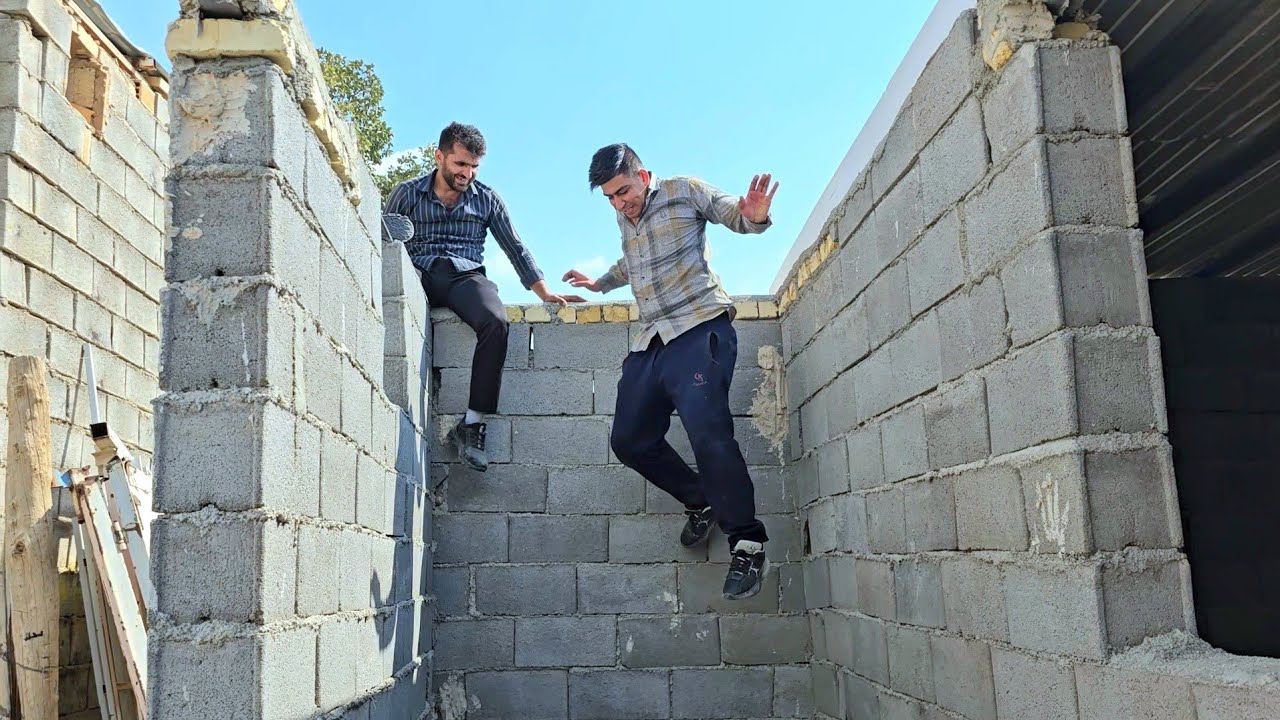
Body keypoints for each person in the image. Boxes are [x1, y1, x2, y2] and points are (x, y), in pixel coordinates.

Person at [563, 143, 780, 600]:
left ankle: (747, 543)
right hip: (654, 341)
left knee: (708, 433)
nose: (620, 203)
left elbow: (732, 213)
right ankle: (699, 500)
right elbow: (631, 263)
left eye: (623, 191)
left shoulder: (684, 190)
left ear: (643, 176)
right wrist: (597, 284)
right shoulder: (625, 216)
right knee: (629, 439)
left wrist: (755, 217)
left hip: (700, 327)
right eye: (610, 198)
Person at [383, 122, 582, 472]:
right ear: (440, 156)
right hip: (419, 272)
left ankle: (472, 424)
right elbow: (382, 239)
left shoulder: (486, 199)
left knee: (496, 322)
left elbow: (515, 247)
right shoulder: (408, 193)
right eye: (461, 165)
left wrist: (544, 292)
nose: (467, 173)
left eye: (474, 167)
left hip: (465, 276)